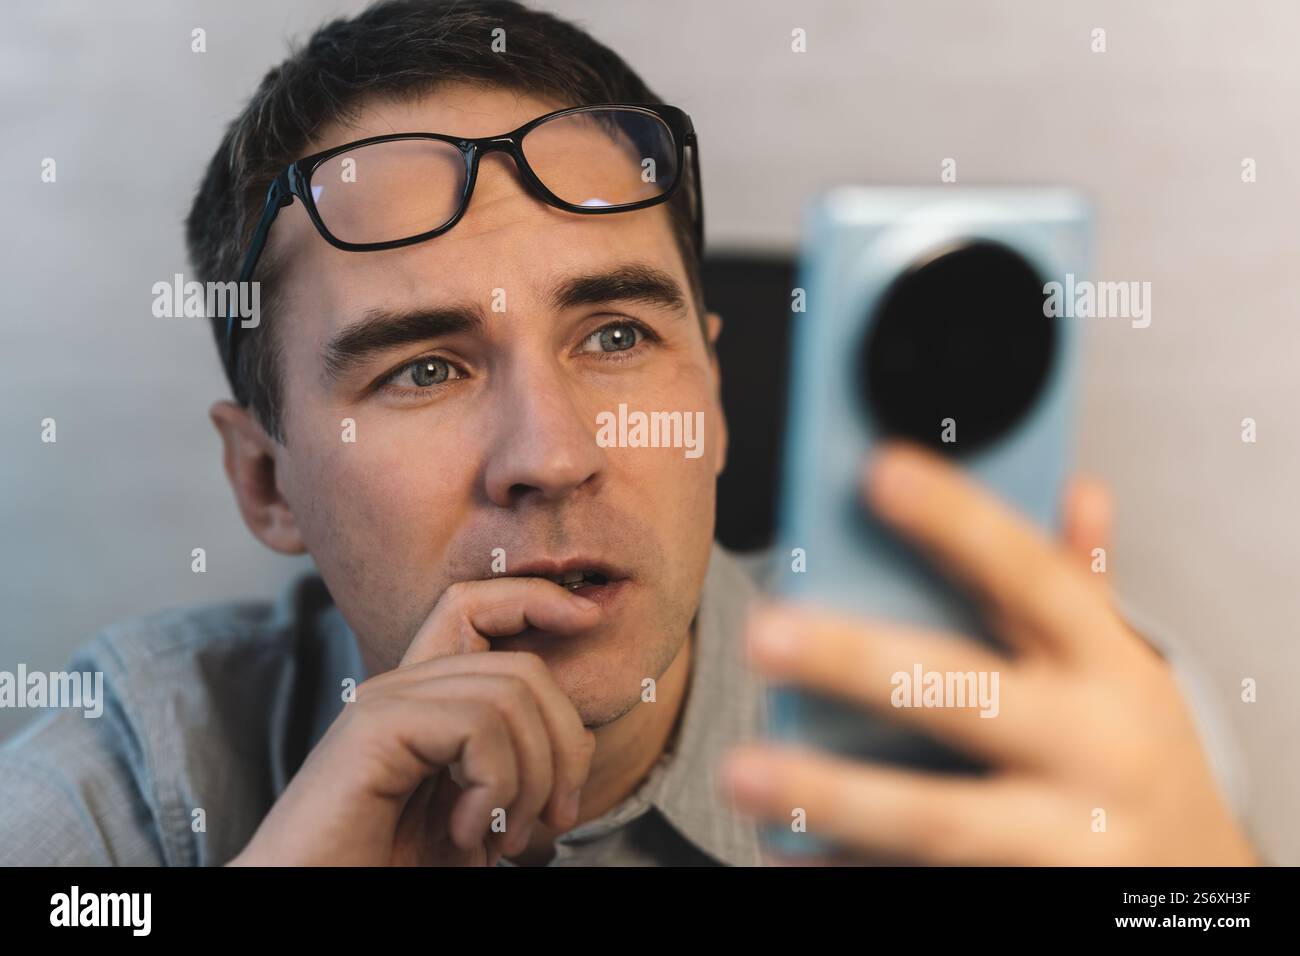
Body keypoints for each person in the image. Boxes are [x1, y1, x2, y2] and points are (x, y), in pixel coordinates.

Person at [0, 0, 1258, 867]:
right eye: (425, 366)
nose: (548, 454)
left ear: (710, 392)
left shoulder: (1054, 725)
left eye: (612, 338)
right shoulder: (123, 775)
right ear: (265, 483)